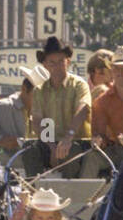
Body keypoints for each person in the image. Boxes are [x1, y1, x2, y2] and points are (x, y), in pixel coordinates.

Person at [29, 36, 92, 173]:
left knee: (70, 152)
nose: (57, 66)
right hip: (50, 141)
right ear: (45, 65)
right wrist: (51, 146)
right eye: (52, 62)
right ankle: (32, 189)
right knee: (30, 151)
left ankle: (70, 191)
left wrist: (68, 137)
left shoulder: (79, 85)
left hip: (76, 141)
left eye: (61, 61)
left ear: (68, 62)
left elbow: (83, 109)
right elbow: (38, 120)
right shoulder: (39, 90)